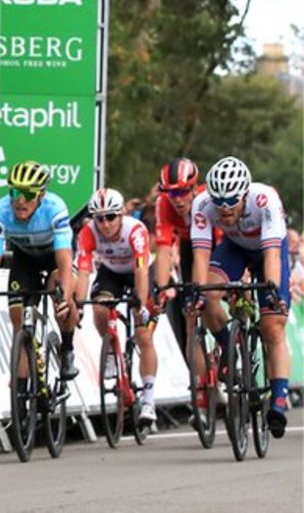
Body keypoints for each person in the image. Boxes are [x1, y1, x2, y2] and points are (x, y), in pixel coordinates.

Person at [190, 156, 292, 438]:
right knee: (208, 296)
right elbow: (201, 253)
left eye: (231, 200)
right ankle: (231, 349)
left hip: (267, 250)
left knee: (273, 325)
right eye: (218, 201)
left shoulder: (265, 199)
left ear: (245, 193)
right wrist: (198, 292)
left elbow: (271, 253)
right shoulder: (202, 204)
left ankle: (279, 400)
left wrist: (271, 294)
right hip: (234, 249)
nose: (223, 208)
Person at [0, 161, 79, 380]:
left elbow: (64, 259)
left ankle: (67, 348)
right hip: (25, 259)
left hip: (54, 258)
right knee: (18, 320)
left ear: (41, 195)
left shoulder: (55, 208)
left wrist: (65, 297)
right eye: (15, 192)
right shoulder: (0, 212)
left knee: (62, 298)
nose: (20, 201)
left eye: (28, 195)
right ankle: (20, 390)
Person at [75, 188, 157, 425]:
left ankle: (149, 400)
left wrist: (140, 305)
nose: (105, 224)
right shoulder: (88, 232)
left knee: (143, 336)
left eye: (110, 217)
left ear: (121, 215)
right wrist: (79, 304)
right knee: (100, 308)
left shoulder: (135, 230)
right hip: (111, 272)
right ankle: (110, 347)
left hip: (138, 273)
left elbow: (142, 270)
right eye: (99, 218)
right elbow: (83, 270)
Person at [151, 157, 221, 425]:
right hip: (192, 250)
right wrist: (160, 287)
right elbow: (165, 248)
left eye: (181, 192)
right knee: (192, 317)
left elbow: (222, 243)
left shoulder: (210, 199)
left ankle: (236, 339)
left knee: (236, 293)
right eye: (170, 193)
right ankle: (202, 398)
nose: (176, 199)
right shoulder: (163, 206)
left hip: (219, 244)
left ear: (194, 188)